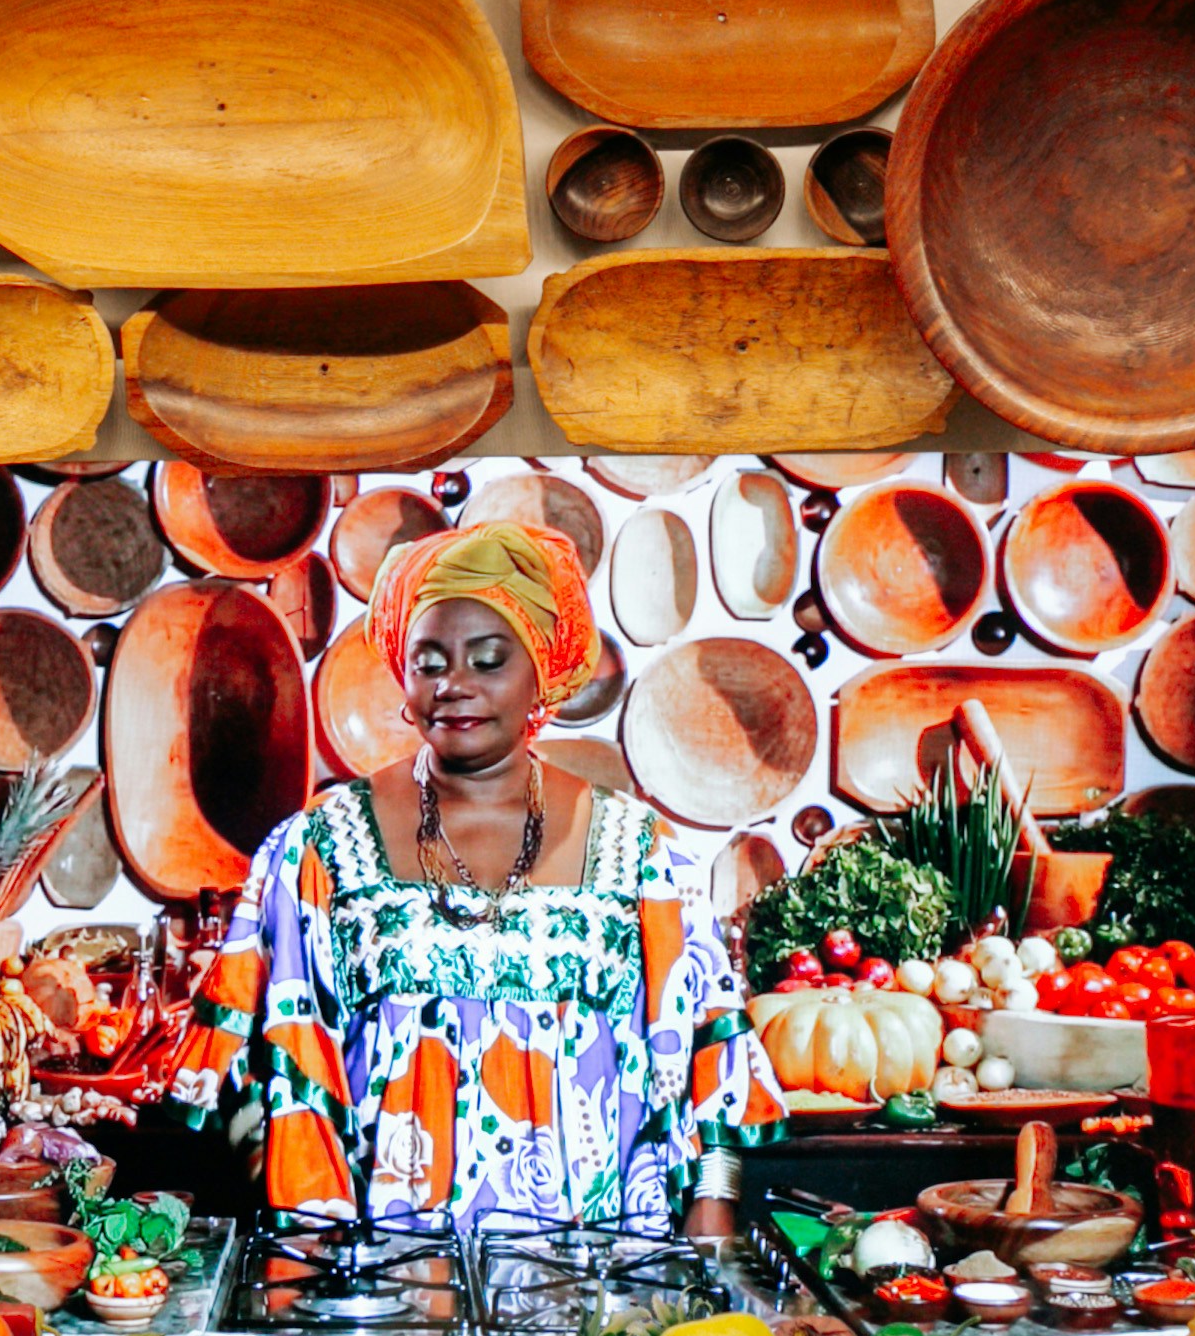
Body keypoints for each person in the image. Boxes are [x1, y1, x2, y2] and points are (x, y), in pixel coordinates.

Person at [170, 520, 779, 1237]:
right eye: (428, 663)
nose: (453, 685)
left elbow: (711, 1068)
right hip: (387, 1279)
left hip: (596, 1284)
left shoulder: (642, 853)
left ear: (541, 672)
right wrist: (311, 1260)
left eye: (488, 661)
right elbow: (269, 1065)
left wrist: (704, 1243)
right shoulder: (319, 846)